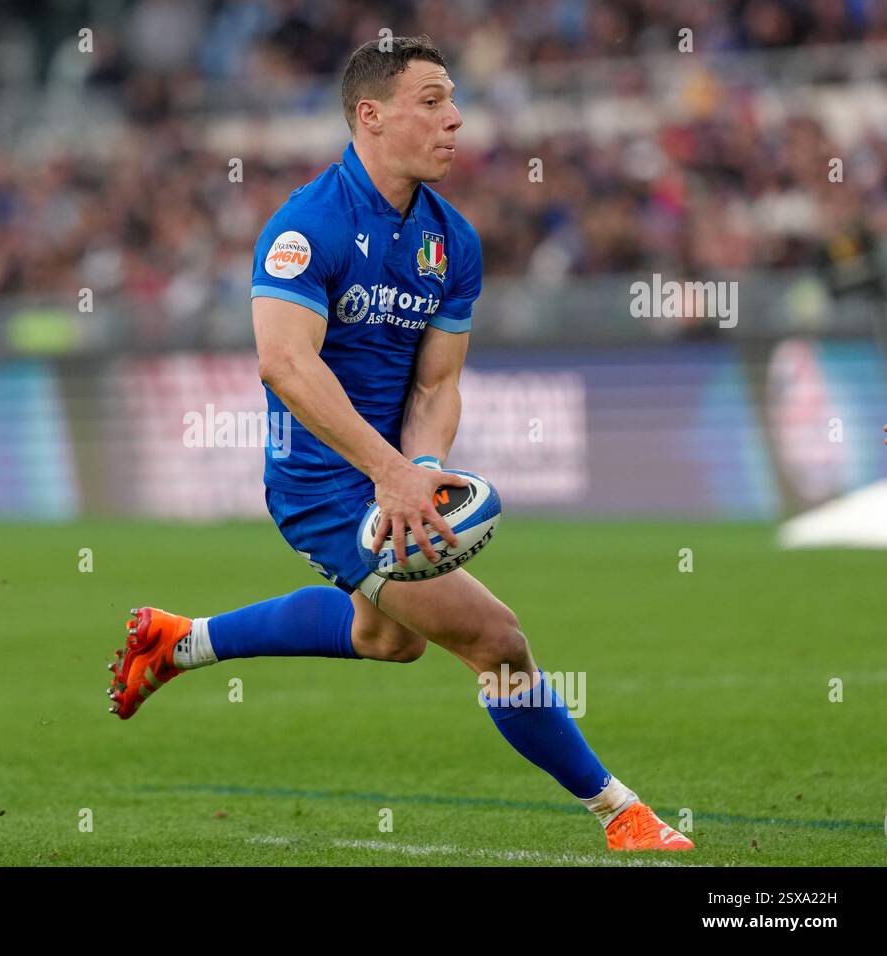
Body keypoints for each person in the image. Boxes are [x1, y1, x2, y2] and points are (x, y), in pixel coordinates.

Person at [108, 35, 692, 852]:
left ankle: (180, 640)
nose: (455, 119)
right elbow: (283, 363)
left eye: (453, 101)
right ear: (370, 116)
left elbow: (435, 385)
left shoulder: (453, 241)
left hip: (389, 481)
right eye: (432, 102)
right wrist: (386, 472)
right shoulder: (307, 226)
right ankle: (620, 812)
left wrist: (420, 466)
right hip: (321, 487)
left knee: (390, 637)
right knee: (497, 640)